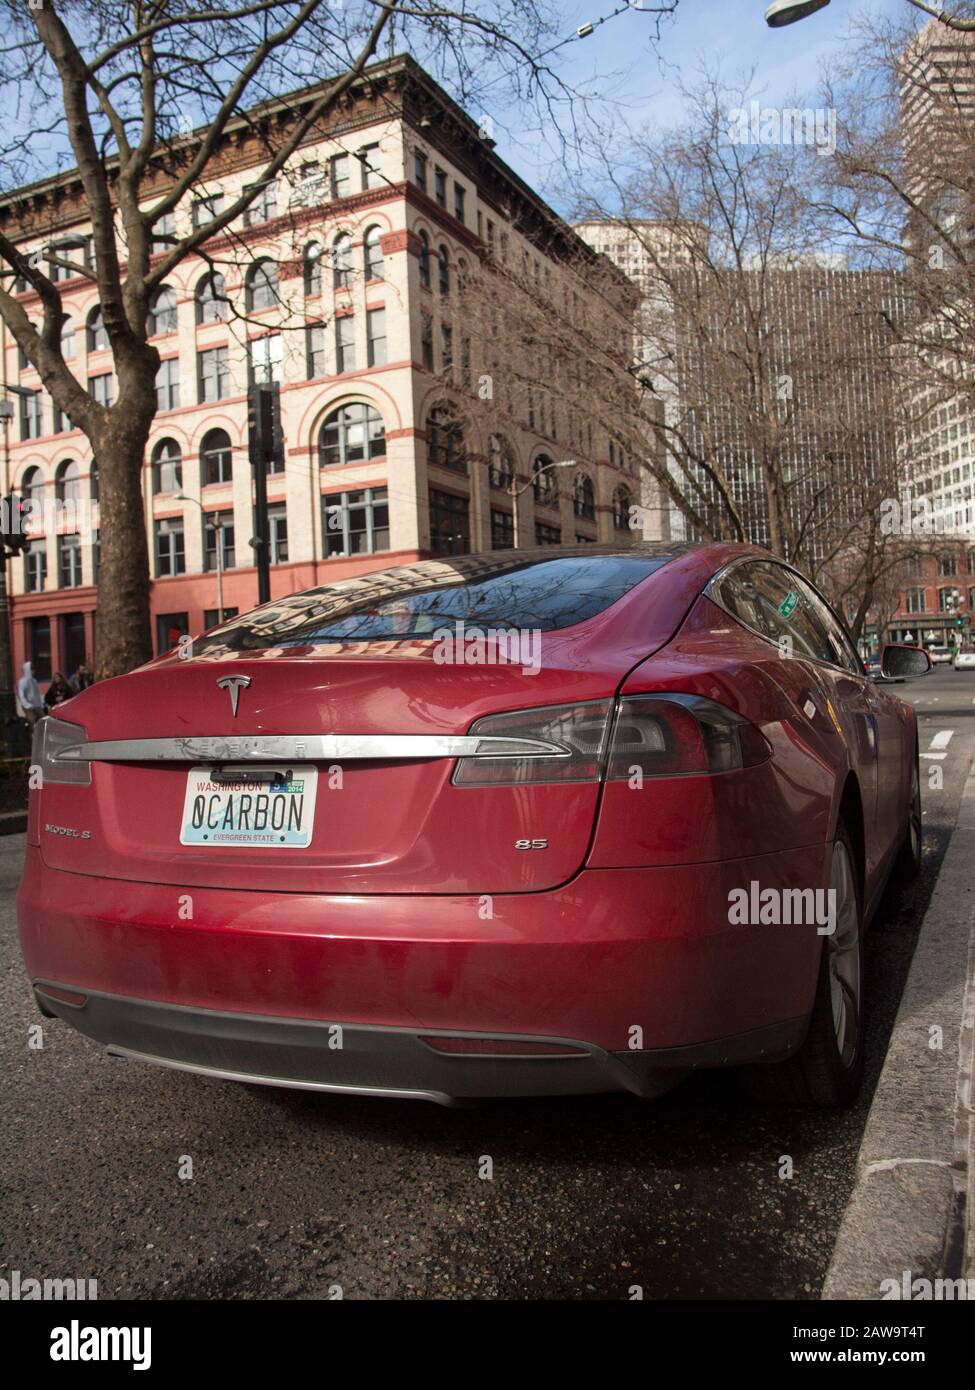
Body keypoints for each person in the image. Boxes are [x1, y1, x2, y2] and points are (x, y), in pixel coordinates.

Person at [16, 661, 45, 726]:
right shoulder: (22, 681)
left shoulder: (34, 681)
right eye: (31, 669)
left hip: (37, 706)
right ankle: (31, 734)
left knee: (43, 719)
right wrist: (27, 705)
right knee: (31, 721)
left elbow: (37, 694)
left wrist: (40, 704)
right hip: (28, 706)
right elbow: (21, 695)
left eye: (33, 669)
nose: (33, 671)